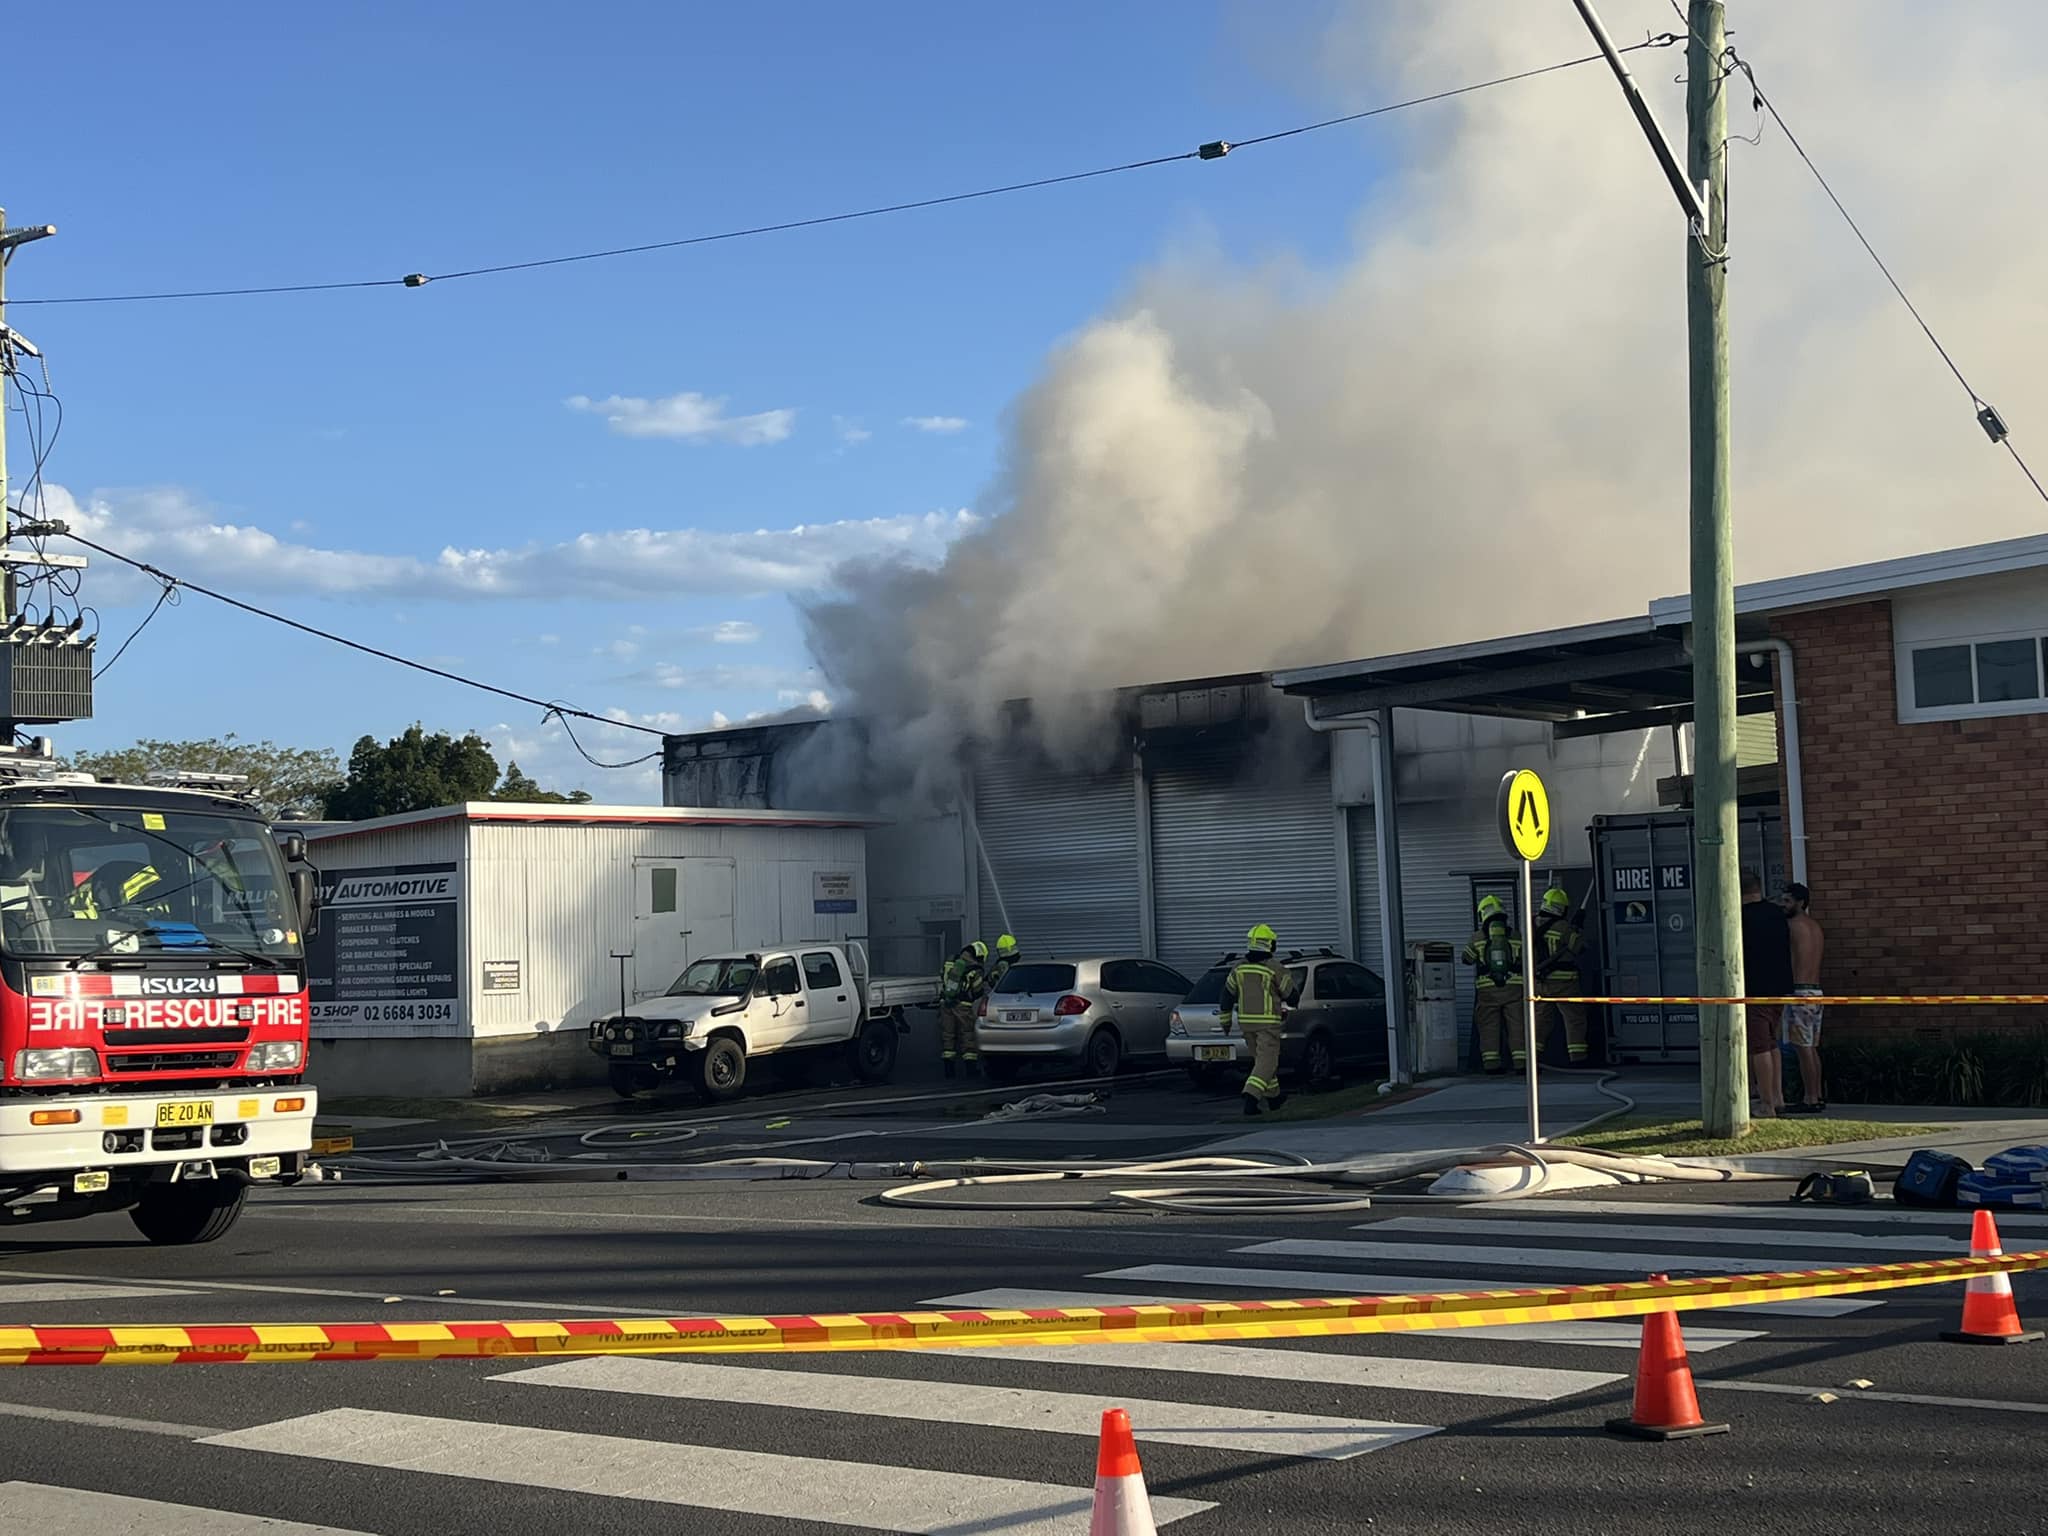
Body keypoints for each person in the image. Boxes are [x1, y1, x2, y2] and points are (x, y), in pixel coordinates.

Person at [1218, 922, 1298, 1116]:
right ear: (1269, 945)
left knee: (1260, 1061)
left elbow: (1226, 996)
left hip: (1246, 1024)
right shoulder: (1274, 968)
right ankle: (1251, 1098)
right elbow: (1291, 996)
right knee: (1267, 1063)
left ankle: (1274, 1098)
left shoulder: (1239, 968)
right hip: (1267, 1025)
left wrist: (1225, 1021)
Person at [1739, 868, 1792, 1118]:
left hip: (1755, 989)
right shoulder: (1777, 913)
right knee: (1772, 1042)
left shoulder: (1740, 917)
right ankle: (1778, 1097)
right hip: (1779, 988)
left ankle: (1767, 1104)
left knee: (1759, 1046)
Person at [1461, 895, 1523, 1074]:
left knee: (1489, 1026)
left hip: (1487, 989)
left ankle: (1491, 1064)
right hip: (1514, 986)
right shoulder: (1516, 935)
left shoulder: (1477, 937)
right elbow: (1527, 958)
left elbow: (1466, 959)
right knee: (1518, 1025)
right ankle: (1522, 1064)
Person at [1530, 884, 1589, 1067]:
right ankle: (1578, 1058)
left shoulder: (1530, 925)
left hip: (1539, 983)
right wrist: (1576, 930)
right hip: (1565, 983)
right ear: (1561, 908)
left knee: (1540, 1021)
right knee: (1574, 1018)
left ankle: (1534, 1060)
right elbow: (1578, 948)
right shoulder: (1564, 928)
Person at [1781, 882, 1827, 1115]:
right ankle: (1816, 1094)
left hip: (1799, 992)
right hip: (1816, 992)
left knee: (1803, 1048)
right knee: (1811, 1047)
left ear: (1800, 902)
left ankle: (1810, 1097)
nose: (1783, 905)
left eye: (1787, 901)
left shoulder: (1791, 926)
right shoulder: (1815, 927)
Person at [936, 940, 988, 1079]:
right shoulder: (975, 969)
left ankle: (949, 1071)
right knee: (967, 1035)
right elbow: (977, 991)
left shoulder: (950, 962)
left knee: (948, 1035)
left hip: (945, 1003)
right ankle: (970, 1071)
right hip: (963, 1005)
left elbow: (942, 976)